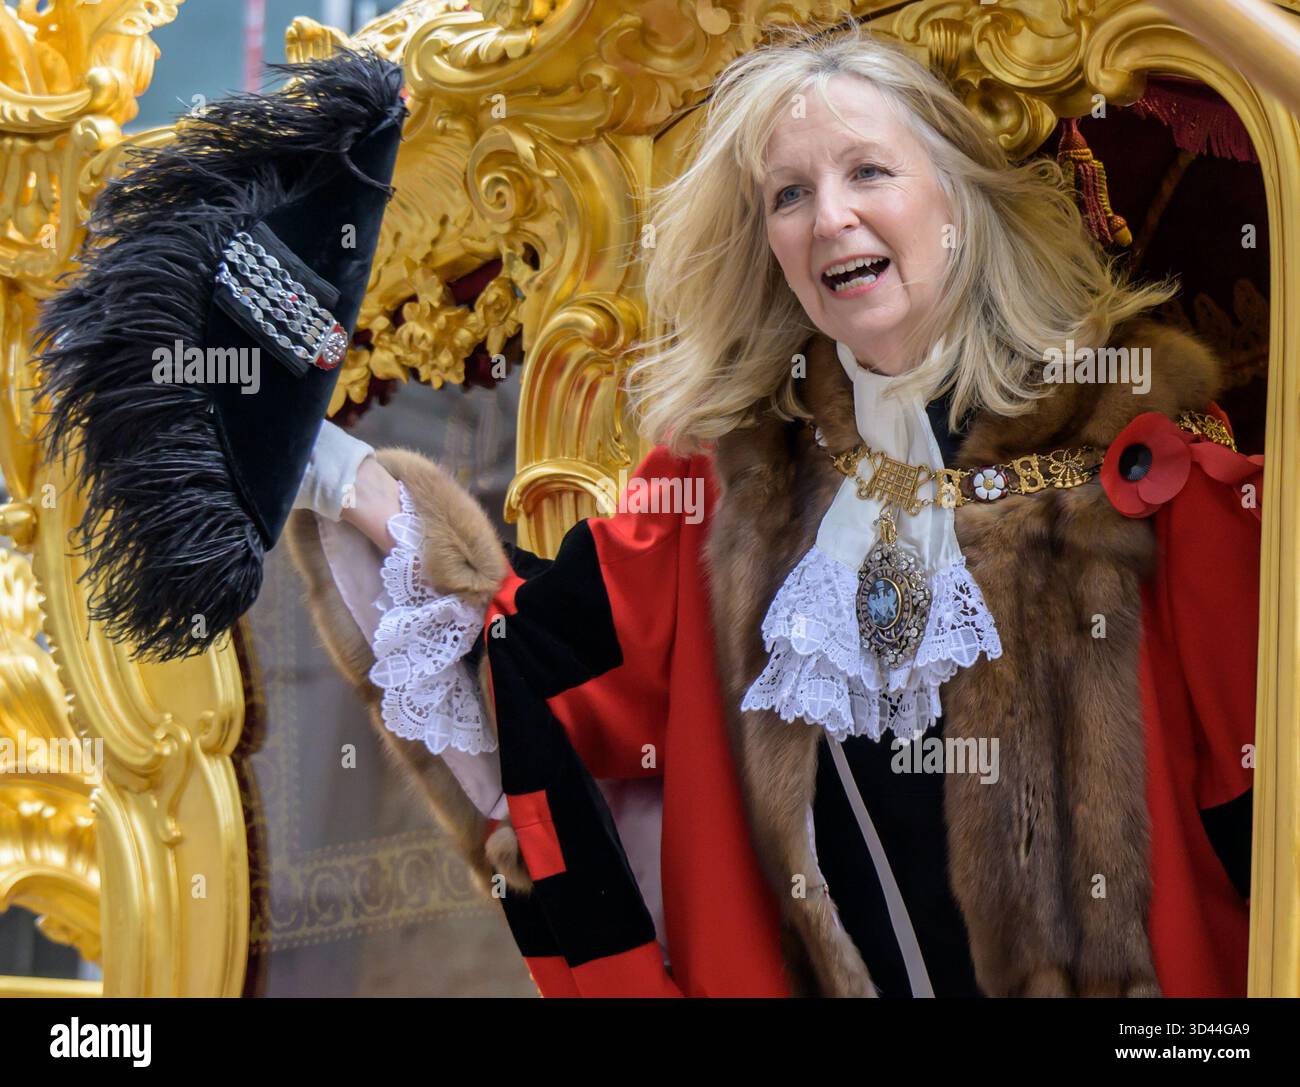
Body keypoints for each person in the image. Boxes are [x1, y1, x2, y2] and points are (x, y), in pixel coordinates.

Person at [288, 24, 1261, 997]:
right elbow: (535, 663)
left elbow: (1261, 807)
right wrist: (338, 473)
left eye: (867, 171)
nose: (828, 217)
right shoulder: (716, 498)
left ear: (958, 199)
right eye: (787, 195)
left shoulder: (1144, 469)